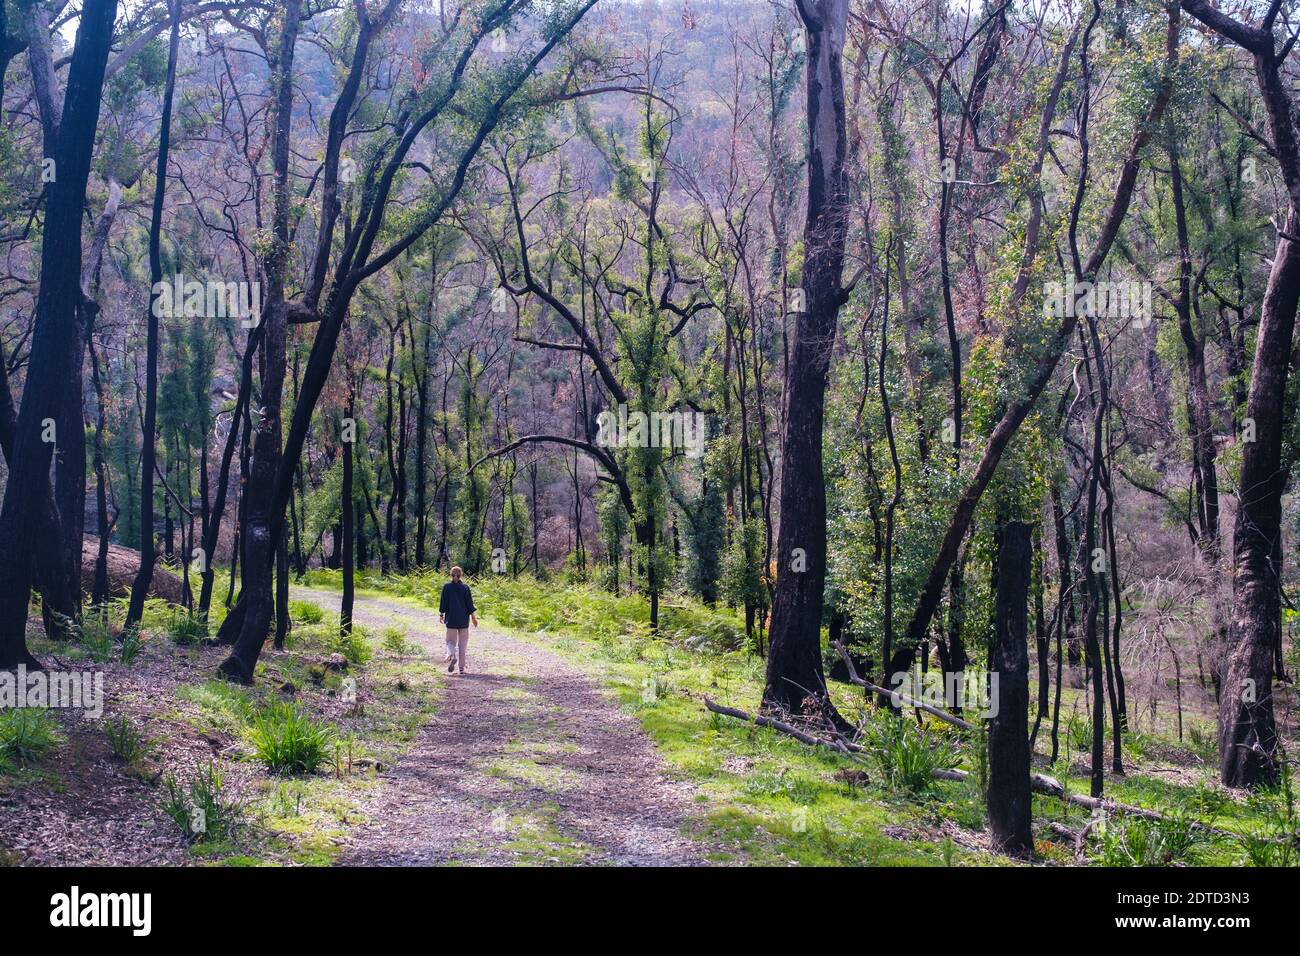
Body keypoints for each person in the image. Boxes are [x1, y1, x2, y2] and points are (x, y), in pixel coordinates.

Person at [438, 566, 478, 674]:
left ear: (451, 575)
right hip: (463, 620)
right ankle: (461, 669)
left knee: (450, 641)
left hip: (451, 619)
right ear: (461, 575)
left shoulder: (446, 587)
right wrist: (473, 617)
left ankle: (451, 654)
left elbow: (443, 603)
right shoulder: (465, 587)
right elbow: (470, 604)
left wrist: (441, 614)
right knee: (462, 644)